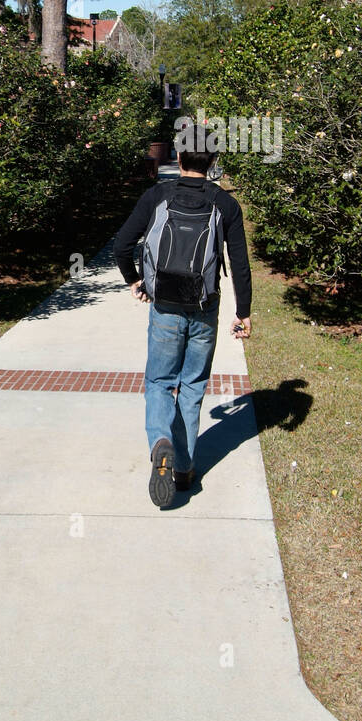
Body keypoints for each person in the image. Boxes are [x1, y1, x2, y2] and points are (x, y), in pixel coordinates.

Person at [113, 128, 252, 509]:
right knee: (191, 387)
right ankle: (185, 468)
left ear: (179, 155)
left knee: (159, 381)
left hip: (165, 306)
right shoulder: (226, 204)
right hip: (204, 307)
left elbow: (122, 245)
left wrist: (136, 280)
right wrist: (244, 313)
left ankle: (160, 441)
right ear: (212, 159)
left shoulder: (158, 195)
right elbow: (239, 264)